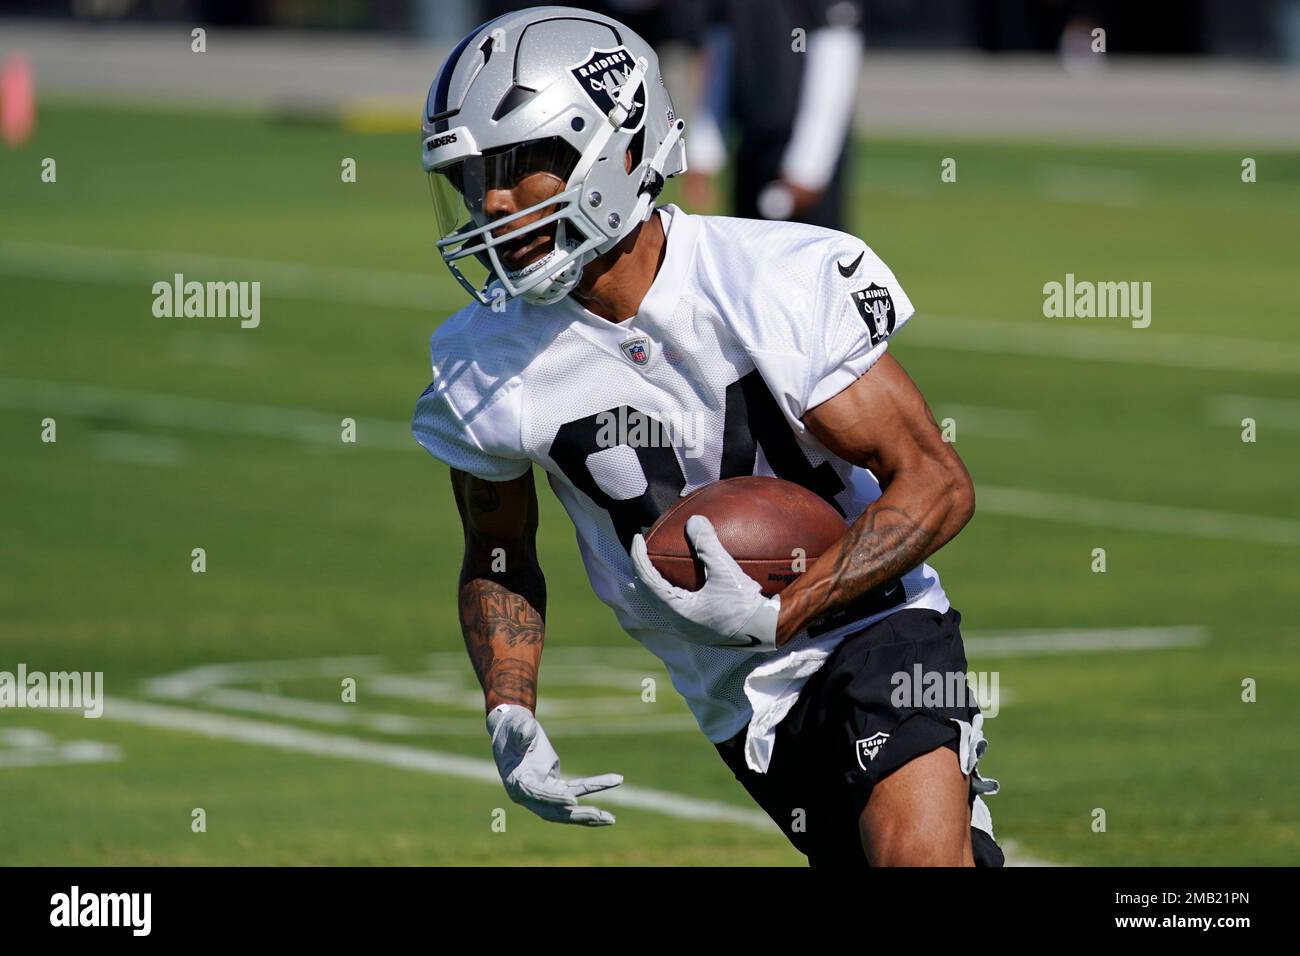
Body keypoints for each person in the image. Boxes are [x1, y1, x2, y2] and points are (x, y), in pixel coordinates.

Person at [414, 4, 1002, 867]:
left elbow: (937, 482)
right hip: (731, 695)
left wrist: (786, 608)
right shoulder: (484, 363)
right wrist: (511, 705)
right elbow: (499, 550)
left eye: (518, 165)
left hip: (878, 624)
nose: (491, 201)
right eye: (471, 176)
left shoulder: (776, 282)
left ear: (614, 150)